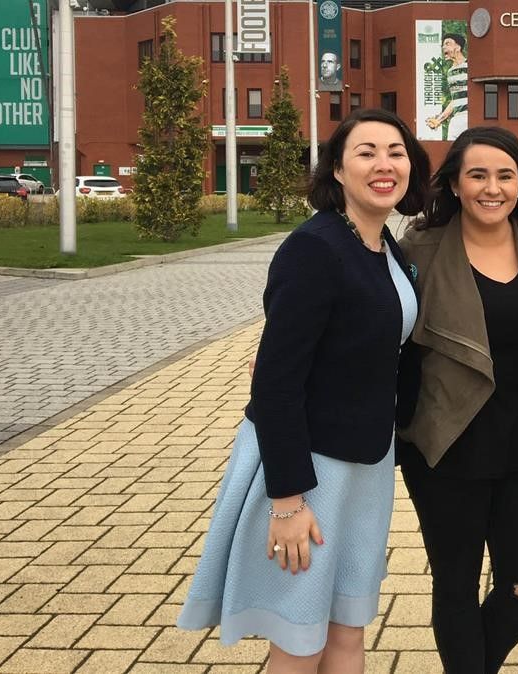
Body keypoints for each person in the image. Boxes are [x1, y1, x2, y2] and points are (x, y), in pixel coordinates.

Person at [177, 108, 431, 674]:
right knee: (299, 641)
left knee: (347, 627)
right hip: (308, 472)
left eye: (396, 152)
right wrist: (286, 501)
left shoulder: (383, 245)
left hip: (365, 468)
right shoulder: (314, 248)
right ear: (337, 171)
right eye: (366, 152)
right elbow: (276, 384)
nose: (384, 164)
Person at [396, 126, 518, 673]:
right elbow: (373, 322)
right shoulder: (416, 251)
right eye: (477, 175)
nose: (491, 188)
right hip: (447, 447)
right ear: (452, 183)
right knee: (455, 585)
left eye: (505, 175)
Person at [425, 33, 468, 138]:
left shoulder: (470, 65)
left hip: (470, 118)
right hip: (456, 120)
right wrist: (439, 119)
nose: (443, 47)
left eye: (447, 43)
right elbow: (455, 99)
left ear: (458, 47)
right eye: (443, 45)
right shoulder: (450, 72)